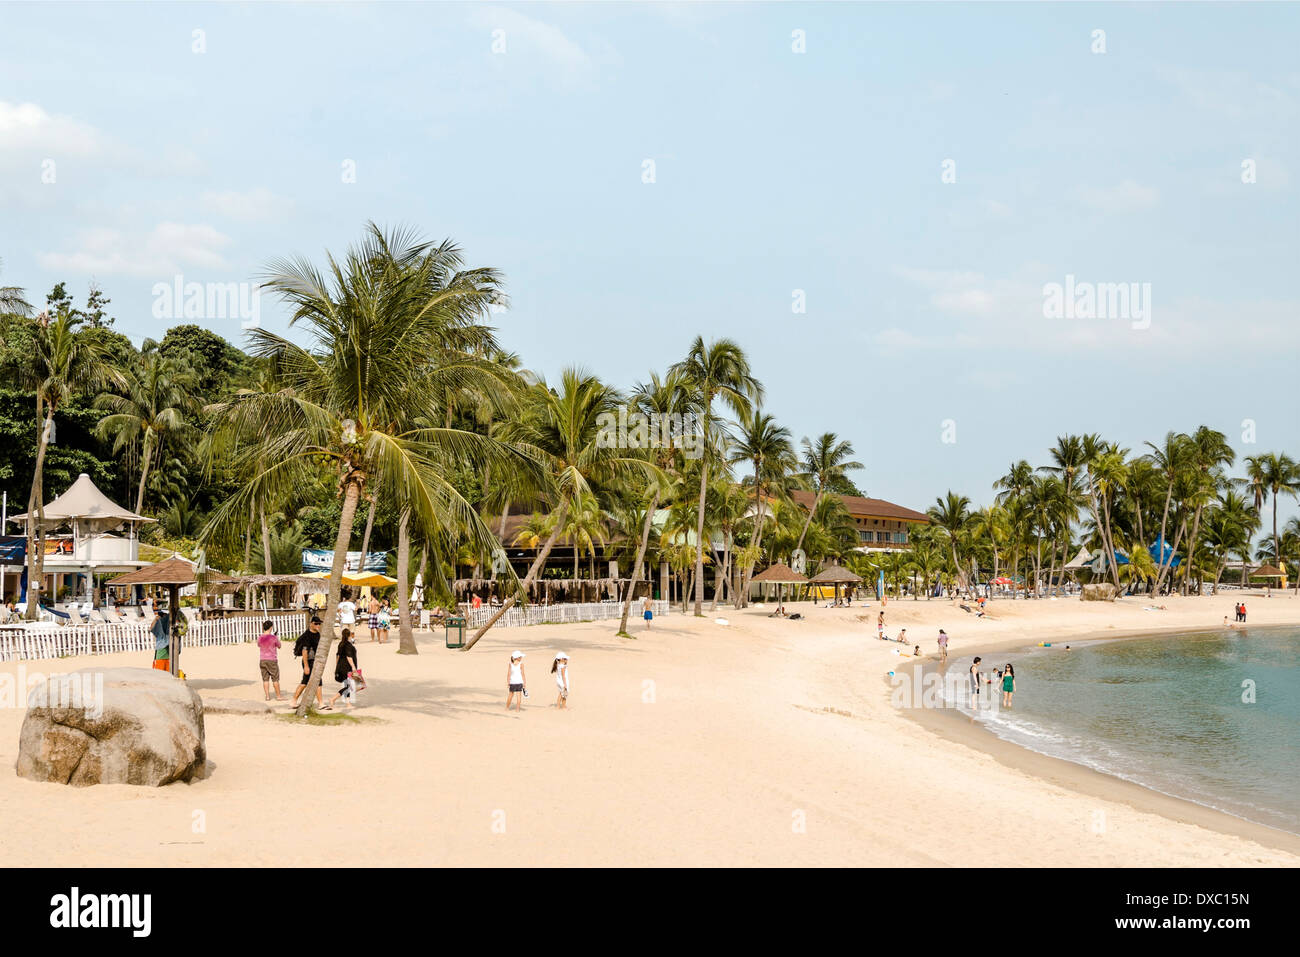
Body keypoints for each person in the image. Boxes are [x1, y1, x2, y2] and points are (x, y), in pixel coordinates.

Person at [291, 616, 324, 709]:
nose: (318, 625)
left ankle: (294, 701)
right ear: (311, 623)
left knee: (306, 682)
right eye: (316, 623)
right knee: (317, 681)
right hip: (308, 661)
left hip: (314, 661)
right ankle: (321, 703)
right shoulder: (307, 636)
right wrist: (306, 666)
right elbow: (304, 651)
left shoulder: (317, 634)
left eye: (319, 624)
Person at [326, 628, 359, 710]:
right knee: (350, 686)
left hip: (341, 667)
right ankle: (333, 699)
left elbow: (337, 656)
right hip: (347, 668)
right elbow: (349, 657)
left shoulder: (341, 644)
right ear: (349, 635)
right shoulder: (348, 645)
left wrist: (337, 667)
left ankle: (348, 704)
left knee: (348, 685)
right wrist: (353, 667)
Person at [257, 619, 283, 701]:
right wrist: (276, 638)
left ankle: (267, 696)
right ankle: (278, 696)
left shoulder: (260, 637)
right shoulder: (273, 637)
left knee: (265, 679)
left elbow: (259, 645)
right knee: (275, 679)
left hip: (262, 659)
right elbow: (279, 646)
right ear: (271, 627)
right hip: (272, 660)